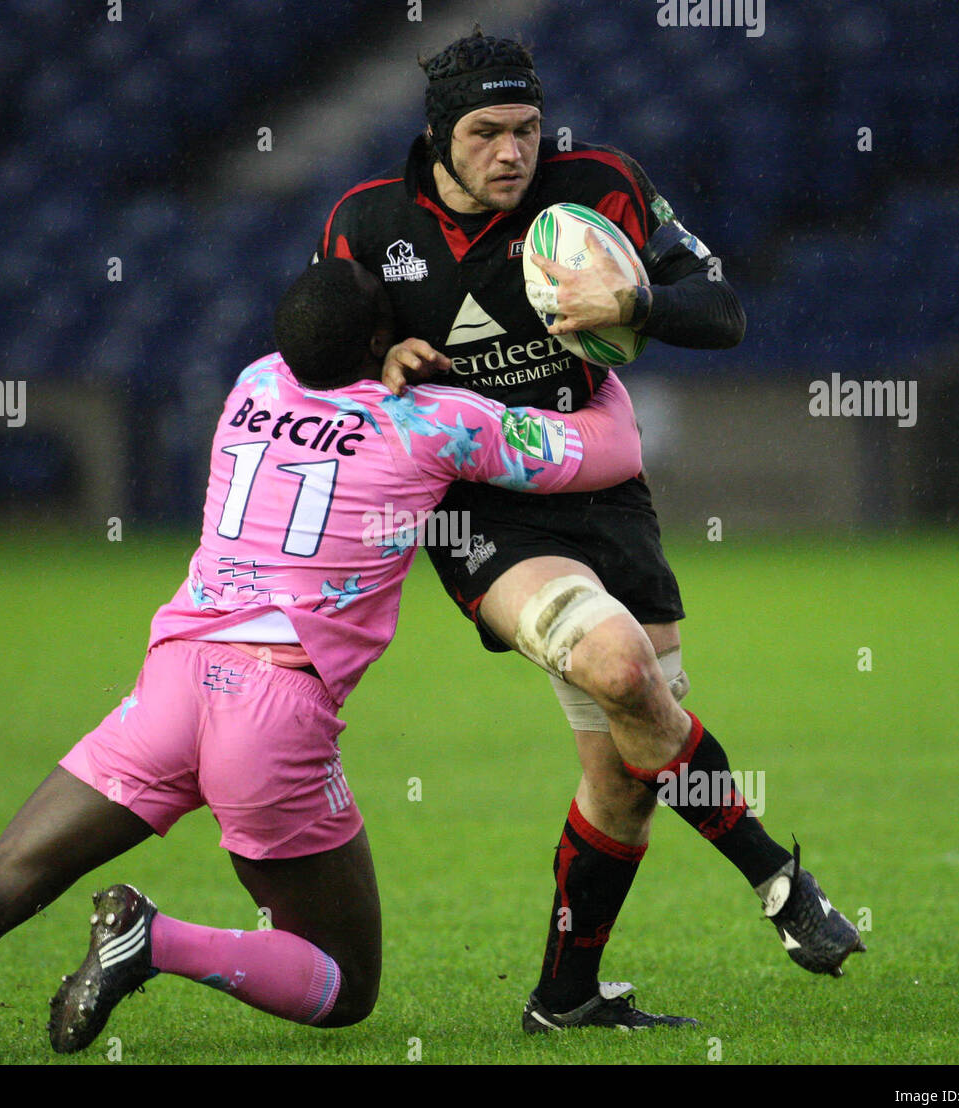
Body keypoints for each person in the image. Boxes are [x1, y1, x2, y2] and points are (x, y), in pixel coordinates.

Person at [0, 257, 650, 1066]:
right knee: (345, 987)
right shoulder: (433, 426)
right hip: (275, 708)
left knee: (2, 882)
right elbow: (608, 453)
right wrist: (596, 360)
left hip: (172, 682)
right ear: (384, 343)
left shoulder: (250, 382)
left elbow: (316, 360)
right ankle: (156, 942)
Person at [316, 27, 864, 1033]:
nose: (512, 153)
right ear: (438, 133)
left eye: (525, 129)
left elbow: (722, 309)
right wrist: (378, 356)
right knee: (617, 671)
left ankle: (565, 997)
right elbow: (322, 362)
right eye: (485, 133)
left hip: (604, 489)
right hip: (478, 510)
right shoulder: (366, 220)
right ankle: (780, 881)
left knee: (625, 773)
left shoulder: (598, 184)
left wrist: (638, 299)